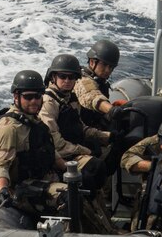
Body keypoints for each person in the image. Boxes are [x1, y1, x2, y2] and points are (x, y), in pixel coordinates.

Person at [0, 69, 67, 214]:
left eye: (37, 96)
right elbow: (0, 166)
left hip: (38, 178)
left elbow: (50, 153)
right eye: (28, 97)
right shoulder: (9, 128)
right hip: (18, 188)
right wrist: (3, 189)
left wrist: (71, 170)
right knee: (68, 195)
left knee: (83, 180)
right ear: (16, 97)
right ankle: (70, 234)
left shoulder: (35, 122)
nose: (34, 101)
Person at [39, 53, 113, 192]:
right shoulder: (49, 102)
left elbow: (80, 127)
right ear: (53, 77)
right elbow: (55, 143)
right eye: (62, 76)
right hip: (58, 156)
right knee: (94, 167)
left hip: (71, 148)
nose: (67, 80)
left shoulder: (70, 99)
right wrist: (84, 150)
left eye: (71, 77)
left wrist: (106, 136)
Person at [74, 39, 122, 131]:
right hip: (81, 131)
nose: (108, 70)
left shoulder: (101, 82)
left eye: (111, 67)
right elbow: (91, 96)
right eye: (104, 65)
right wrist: (111, 110)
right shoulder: (82, 80)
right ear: (92, 62)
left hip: (94, 127)